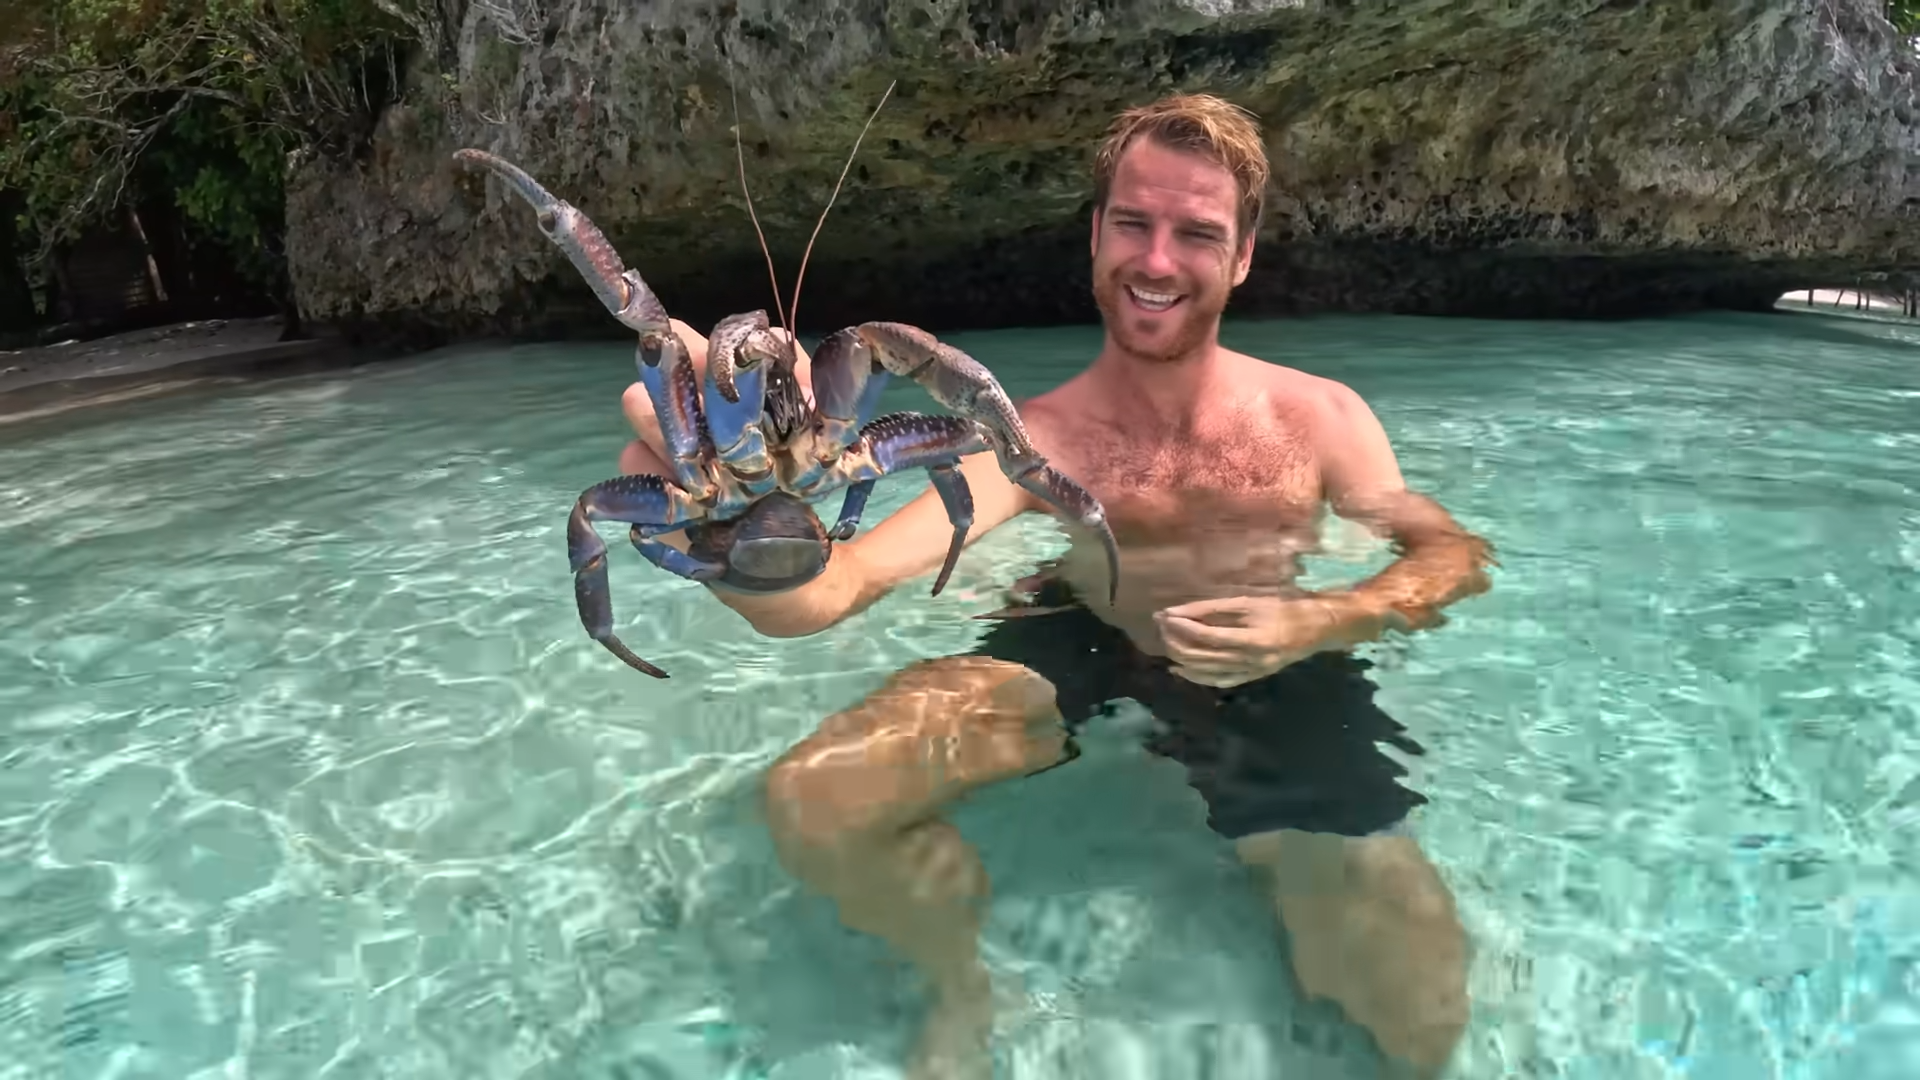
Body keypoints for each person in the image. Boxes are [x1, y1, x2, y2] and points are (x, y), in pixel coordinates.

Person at [614, 94, 1495, 1080]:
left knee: (1419, 1012)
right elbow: (835, 588)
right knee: (819, 797)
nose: (1156, 261)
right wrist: (731, 529)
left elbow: (1450, 556)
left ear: (1243, 254)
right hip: (1082, 634)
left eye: (1196, 233)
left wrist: (1329, 617)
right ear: (1095, 236)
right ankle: (958, 990)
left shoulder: (1320, 417)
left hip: (1280, 662)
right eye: (1133, 223)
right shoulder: (1035, 435)